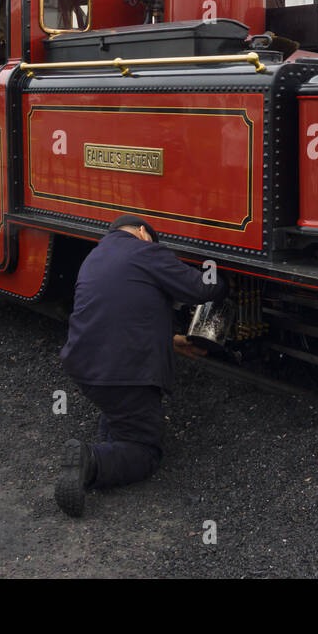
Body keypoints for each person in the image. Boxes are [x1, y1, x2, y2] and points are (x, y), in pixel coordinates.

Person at [55, 214, 227, 518]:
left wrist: (171, 341)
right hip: (123, 372)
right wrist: (223, 276)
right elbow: (201, 288)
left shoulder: (95, 256)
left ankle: (109, 443)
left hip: (85, 366)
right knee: (144, 450)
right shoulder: (145, 250)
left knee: (120, 410)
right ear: (143, 233)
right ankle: (90, 460)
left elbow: (124, 311)